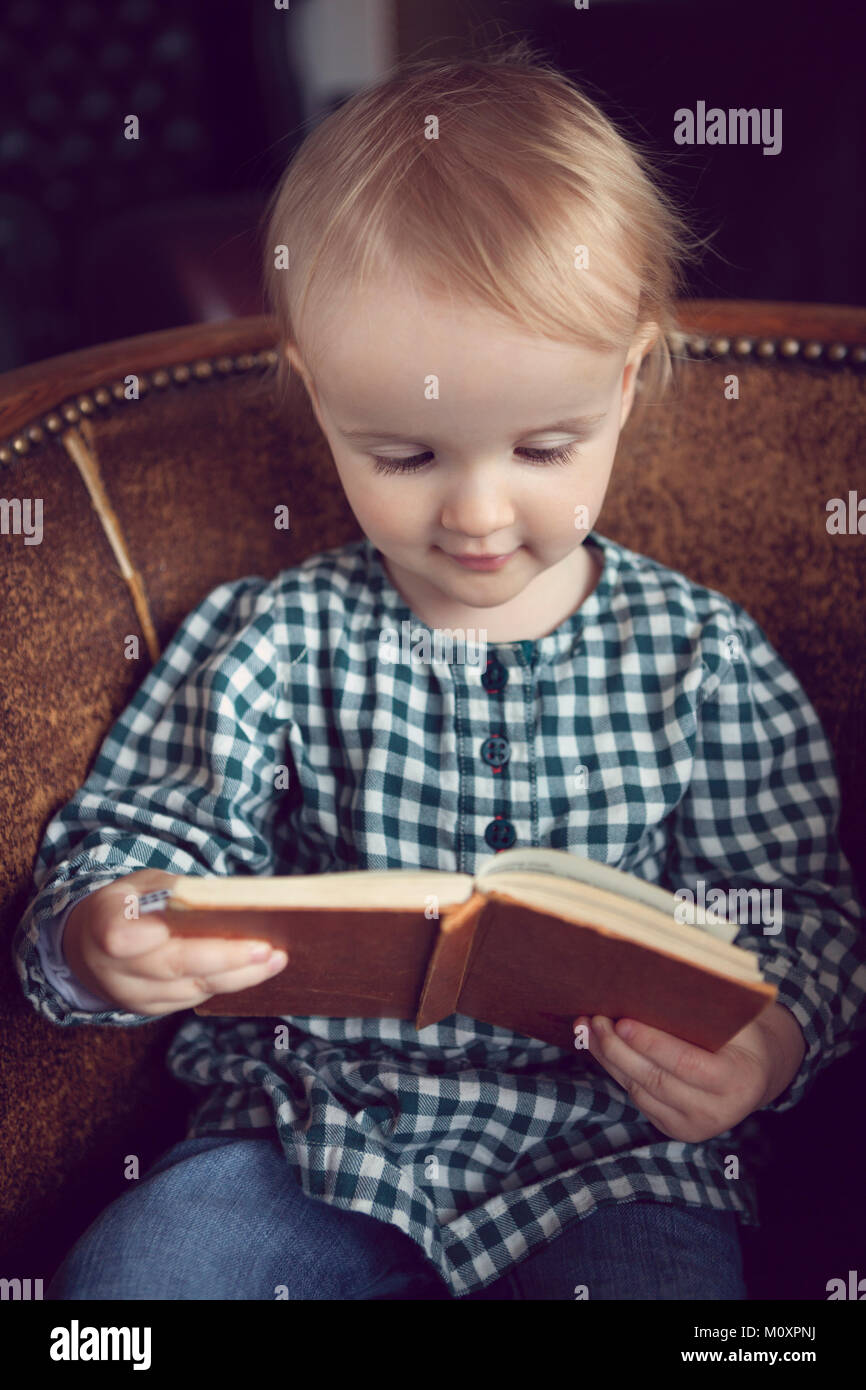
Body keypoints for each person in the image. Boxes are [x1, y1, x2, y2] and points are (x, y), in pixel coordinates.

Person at [13, 43, 866, 1301]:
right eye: (405, 454)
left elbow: (796, 909)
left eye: (542, 445)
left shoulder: (698, 656)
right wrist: (105, 935)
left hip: (612, 1156)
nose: (476, 512)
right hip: (304, 1133)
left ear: (624, 386)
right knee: (127, 1292)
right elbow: (143, 832)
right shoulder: (274, 635)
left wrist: (768, 1038)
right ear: (319, 403)